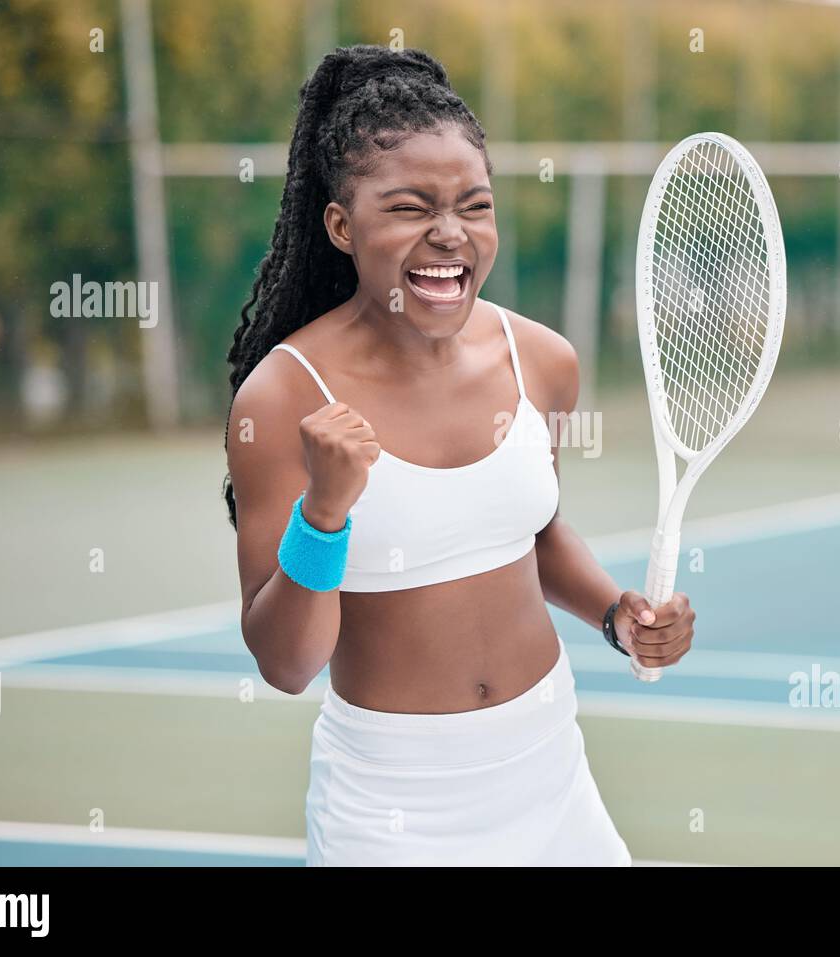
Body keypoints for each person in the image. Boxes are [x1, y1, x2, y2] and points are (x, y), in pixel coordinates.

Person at [222, 44, 696, 866]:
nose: (450, 234)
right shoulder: (281, 397)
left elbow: (533, 534)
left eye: (473, 205)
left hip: (550, 770)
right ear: (342, 225)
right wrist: (323, 514)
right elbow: (287, 664)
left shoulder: (543, 359)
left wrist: (619, 616)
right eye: (409, 207)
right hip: (391, 805)